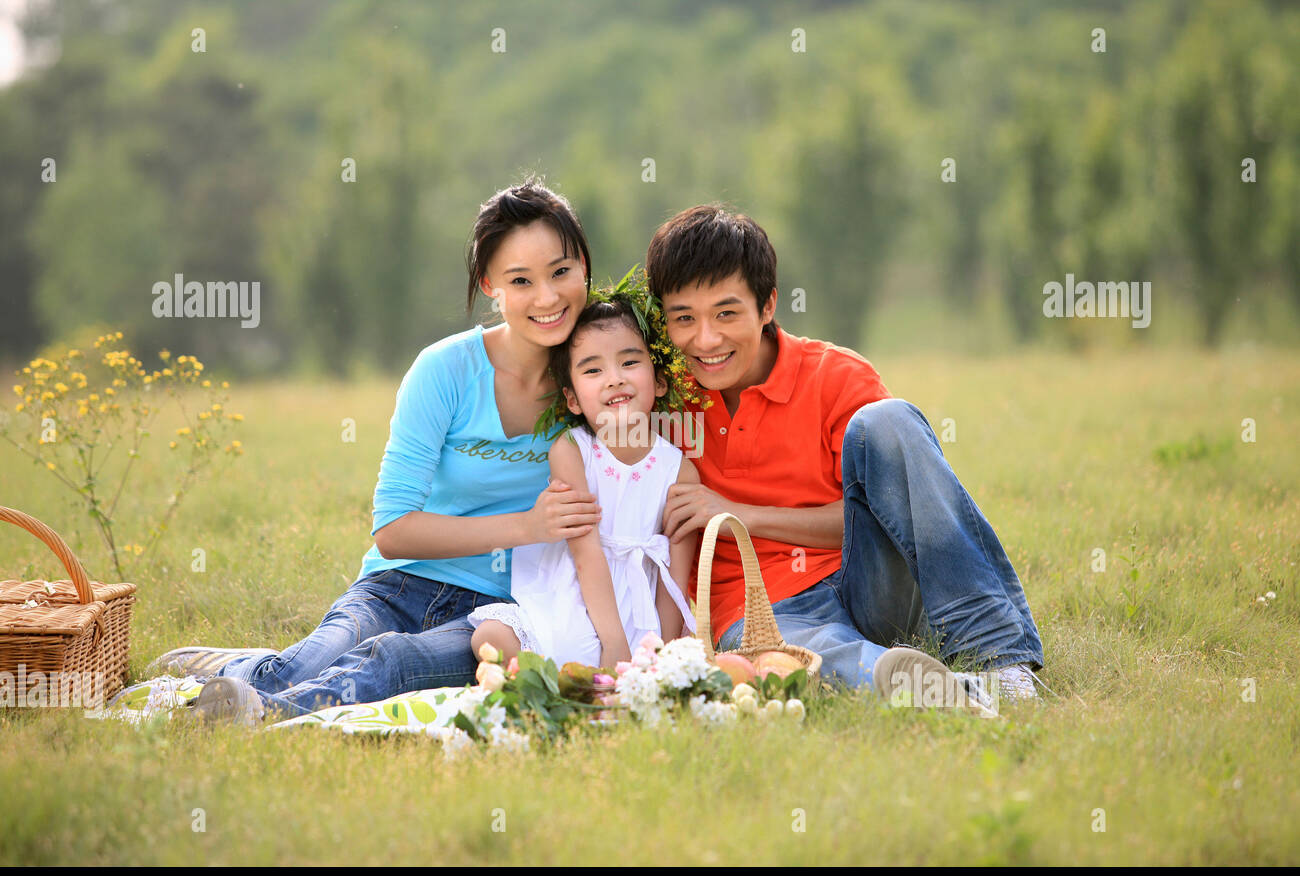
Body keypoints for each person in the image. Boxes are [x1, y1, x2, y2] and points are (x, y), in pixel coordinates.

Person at [157, 178, 608, 721]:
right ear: (492, 285)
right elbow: (393, 532)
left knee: (390, 662)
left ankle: (256, 714)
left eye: (561, 272)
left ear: (583, 264)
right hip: (398, 584)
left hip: (503, 611)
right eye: (521, 280)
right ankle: (251, 672)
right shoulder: (444, 370)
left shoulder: (601, 377)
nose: (548, 297)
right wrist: (528, 526)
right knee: (310, 662)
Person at [645, 204, 1045, 709]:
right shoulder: (659, 398)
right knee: (799, 658)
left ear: (767, 306)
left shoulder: (836, 377)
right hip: (762, 608)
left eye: (726, 313)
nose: (705, 340)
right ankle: (940, 690)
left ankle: (999, 660)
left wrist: (738, 513)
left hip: (871, 582)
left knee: (890, 421)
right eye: (684, 319)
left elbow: (891, 514)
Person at [468, 293, 699, 671]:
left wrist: (661, 652)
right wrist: (613, 642)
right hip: (575, 597)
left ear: (658, 381)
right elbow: (585, 551)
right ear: (573, 399)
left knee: (667, 664)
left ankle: (598, 676)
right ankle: (563, 677)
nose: (615, 378)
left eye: (629, 362)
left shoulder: (679, 471)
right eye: (593, 371)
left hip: (641, 613)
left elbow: (674, 575)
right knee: (490, 636)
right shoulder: (572, 451)